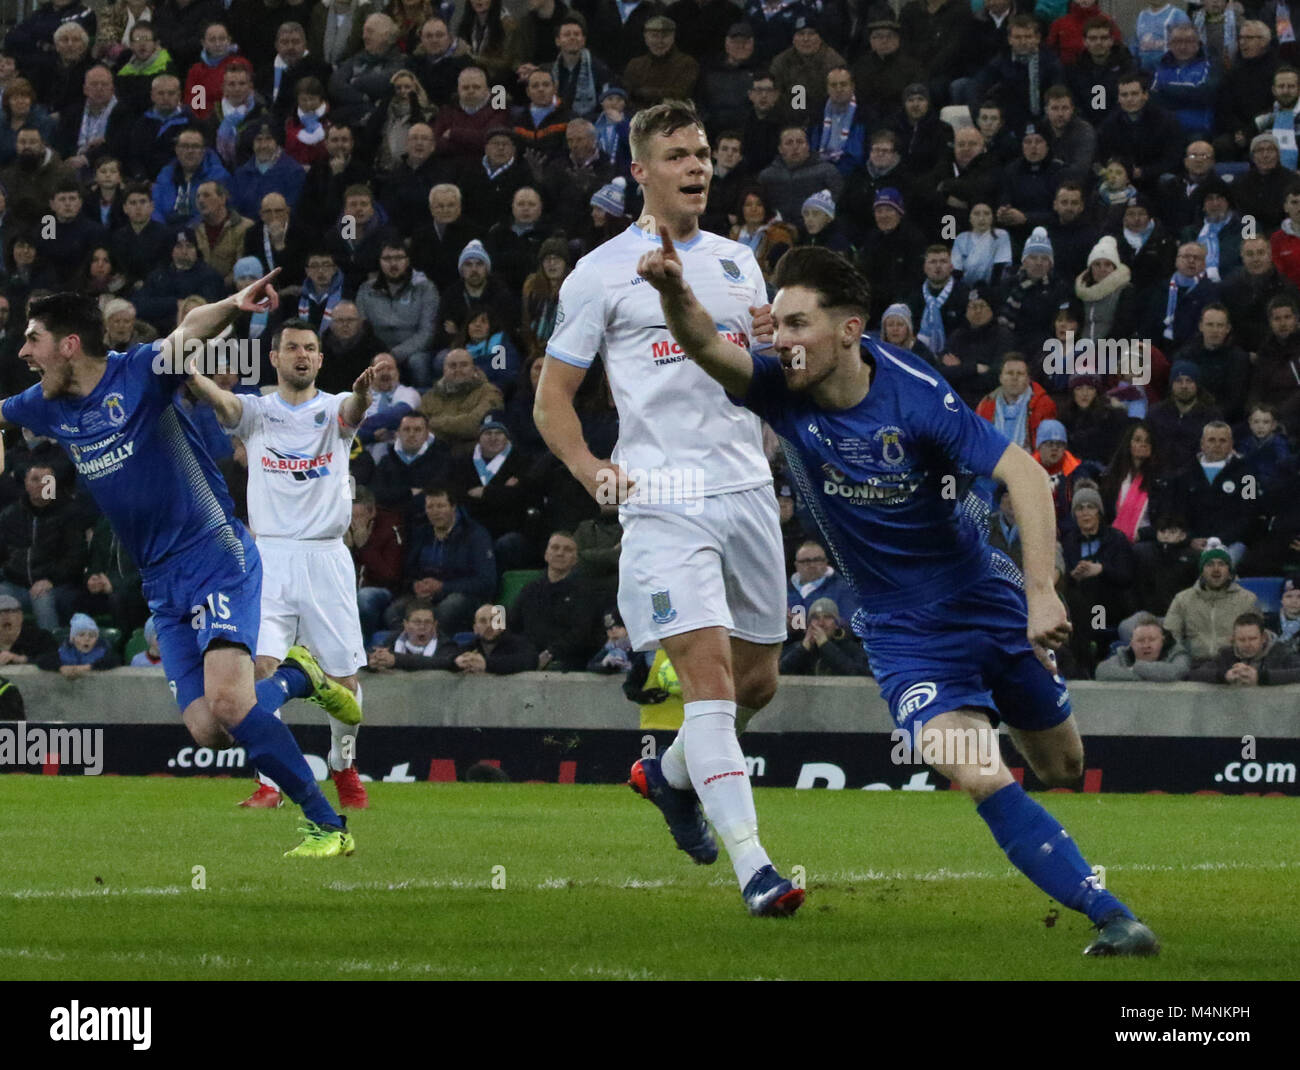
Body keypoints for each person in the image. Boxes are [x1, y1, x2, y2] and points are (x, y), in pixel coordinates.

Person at [636, 240, 1157, 954]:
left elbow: (1027, 478)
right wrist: (673, 292)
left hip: (988, 600)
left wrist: (1042, 593)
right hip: (902, 632)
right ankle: (1115, 918)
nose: (777, 342)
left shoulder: (917, 397)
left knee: (1063, 766)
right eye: (776, 325)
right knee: (977, 770)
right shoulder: (778, 388)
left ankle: (671, 776)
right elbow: (704, 346)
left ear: (850, 331)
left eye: (796, 326)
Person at [537, 100, 800, 916]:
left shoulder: (740, 263)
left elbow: (762, 369)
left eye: (704, 154)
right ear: (641, 172)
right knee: (710, 684)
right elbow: (553, 398)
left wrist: (769, 346)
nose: (697, 168)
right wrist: (592, 472)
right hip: (662, 500)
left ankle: (671, 775)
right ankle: (756, 866)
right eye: (679, 155)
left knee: (758, 682)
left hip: (746, 492)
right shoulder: (600, 273)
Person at [1, 286, 362, 858]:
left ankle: (327, 825)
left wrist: (237, 303)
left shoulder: (141, 373)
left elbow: (189, 330)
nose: (23, 352)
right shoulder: (43, 404)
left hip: (214, 552)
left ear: (69, 345)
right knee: (209, 728)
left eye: (32, 340)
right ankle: (297, 677)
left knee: (229, 703)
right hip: (160, 581)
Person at [186, 318, 373, 811]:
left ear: (320, 358)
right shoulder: (256, 412)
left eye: (310, 348)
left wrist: (364, 397)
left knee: (343, 682)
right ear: (274, 357)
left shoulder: (334, 408)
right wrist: (190, 374)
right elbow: (224, 404)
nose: (302, 355)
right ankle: (271, 782)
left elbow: (353, 410)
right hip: (267, 556)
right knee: (260, 669)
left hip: (325, 555)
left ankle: (343, 765)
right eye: (292, 347)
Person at [1163, 539, 1260, 664]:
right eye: (1209, 564)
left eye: (1221, 564)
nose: (1216, 569)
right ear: (1201, 572)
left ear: (1229, 572)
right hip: (1192, 666)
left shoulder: (1248, 599)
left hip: (1234, 664)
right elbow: (1171, 637)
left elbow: (1256, 639)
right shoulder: (1182, 599)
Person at [1188, 610, 1300, 684]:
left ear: (1264, 638)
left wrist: (1261, 677)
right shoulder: (1226, 654)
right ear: (1233, 640)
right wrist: (1224, 676)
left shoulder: (1282, 652)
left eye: (1252, 639)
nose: (1247, 644)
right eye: (1241, 640)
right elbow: (1195, 674)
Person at [778, 596, 872, 676]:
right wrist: (803, 648)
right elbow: (779, 672)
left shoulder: (850, 648)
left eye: (827, 617)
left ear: (836, 624)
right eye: (815, 618)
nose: (821, 623)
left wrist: (825, 645)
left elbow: (858, 673)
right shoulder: (799, 648)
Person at [1093, 612, 1191, 681]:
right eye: (1140, 640)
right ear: (1131, 643)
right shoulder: (1124, 653)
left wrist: (1136, 667)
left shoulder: (1177, 653)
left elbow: (1175, 673)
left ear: (1162, 641)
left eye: (1152, 640)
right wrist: (1150, 676)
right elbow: (1102, 671)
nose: (1146, 645)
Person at [366, 596, 454, 670]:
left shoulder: (446, 645)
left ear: (435, 625)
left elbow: (440, 662)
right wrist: (373, 659)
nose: (422, 627)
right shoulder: (393, 640)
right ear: (406, 624)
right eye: (417, 622)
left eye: (427, 622)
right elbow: (373, 652)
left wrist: (396, 660)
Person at [37, 612, 121, 675]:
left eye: (92, 635)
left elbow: (115, 660)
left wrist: (88, 667)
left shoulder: (102, 651)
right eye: (81, 635)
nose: (87, 639)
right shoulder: (64, 651)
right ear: (73, 638)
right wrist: (60, 668)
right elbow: (42, 660)